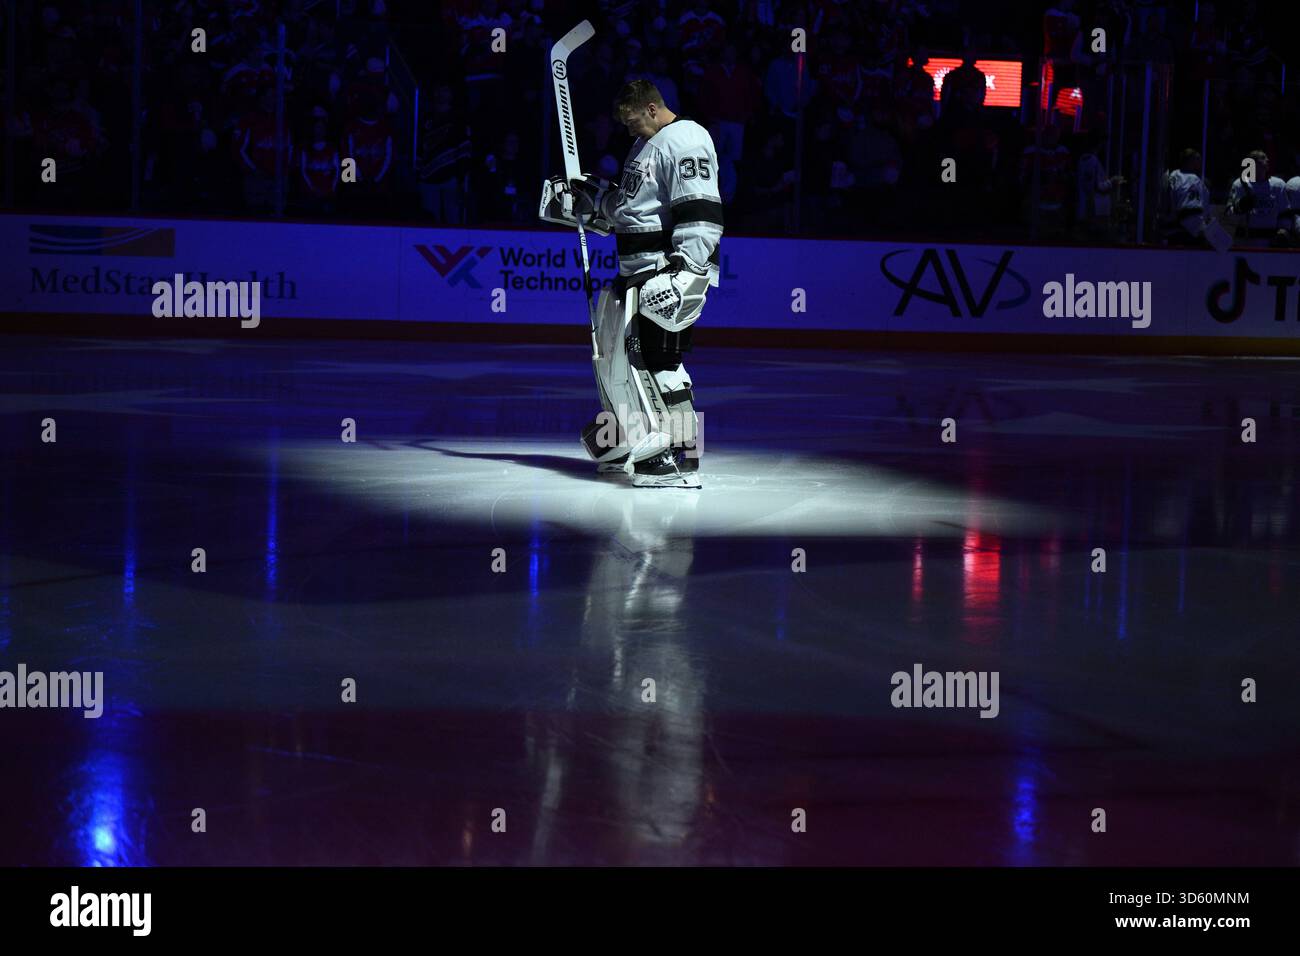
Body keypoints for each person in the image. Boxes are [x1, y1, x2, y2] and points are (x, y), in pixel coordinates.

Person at [540, 80, 723, 488]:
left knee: (656, 363)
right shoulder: (646, 144)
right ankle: (625, 435)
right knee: (613, 359)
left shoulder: (687, 138)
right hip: (634, 272)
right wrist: (589, 199)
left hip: (665, 271)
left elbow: (701, 211)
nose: (628, 130)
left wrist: (687, 270)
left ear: (654, 109)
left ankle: (678, 452)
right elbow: (632, 209)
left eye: (632, 120)